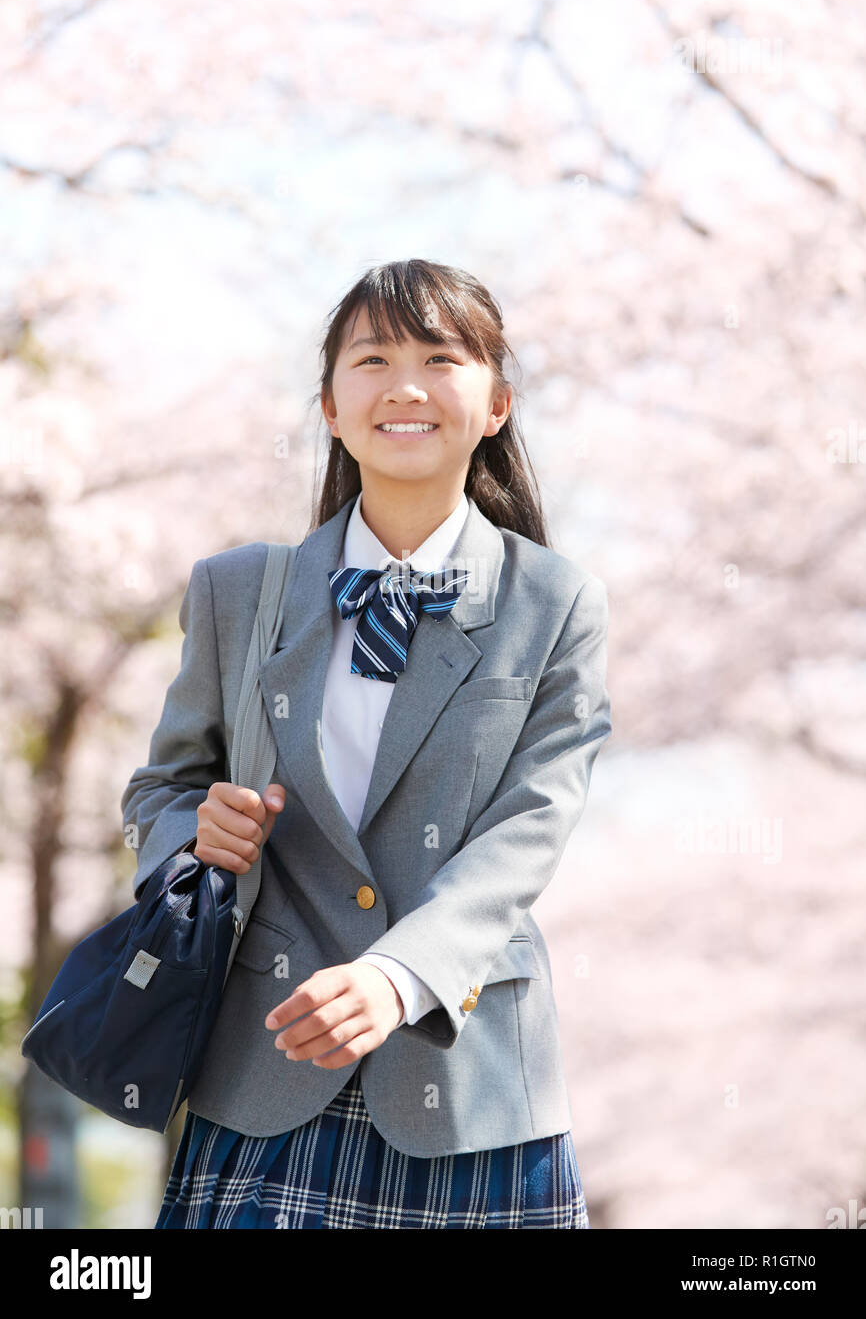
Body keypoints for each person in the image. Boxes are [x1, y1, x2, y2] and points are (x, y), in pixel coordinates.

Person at [122, 257, 612, 1229]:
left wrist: (399, 974)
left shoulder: (553, 604)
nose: (404, 384)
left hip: (468, 1083)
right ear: (331, 409)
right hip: (265, 1075)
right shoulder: (238, 592)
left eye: (441, 357)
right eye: (372, 358)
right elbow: (162, 788)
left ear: (496, 404)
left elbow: (528, 829)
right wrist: (194, 832)